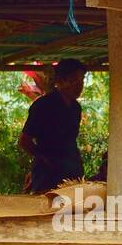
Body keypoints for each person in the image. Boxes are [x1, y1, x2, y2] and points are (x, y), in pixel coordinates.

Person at [18, 58, 87, 193]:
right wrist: (44, 158)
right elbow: (24, 141)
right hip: (48, 175)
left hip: (72, 171)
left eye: (81, 81)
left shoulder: (75, 108)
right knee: (48, 211)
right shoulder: (43, 105)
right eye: (74, 81)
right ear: (60, 81)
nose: (79, 86)